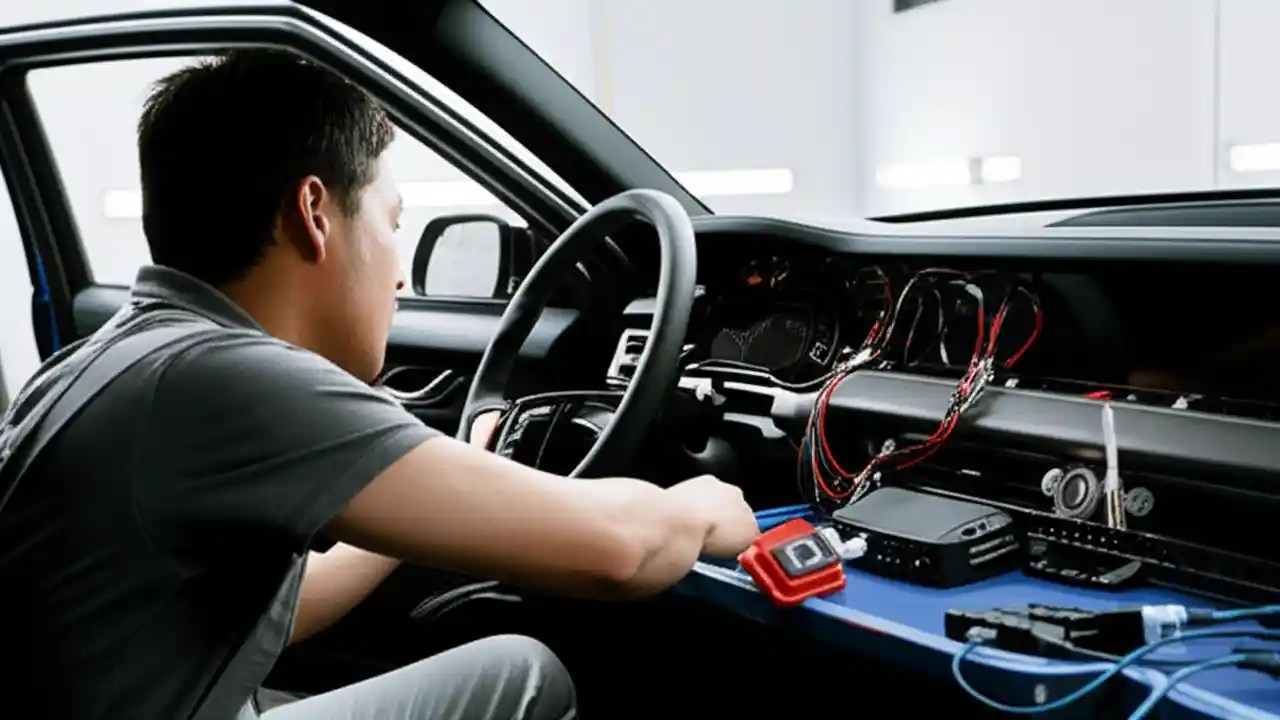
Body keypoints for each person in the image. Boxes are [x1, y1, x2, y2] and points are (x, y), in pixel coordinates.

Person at [0, 49, 759, 719]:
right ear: (314, 214)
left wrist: (438, 483)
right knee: (532, 679)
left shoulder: (115, 358)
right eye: (392, 223)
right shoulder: (228, 381)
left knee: (512, 668)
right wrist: (701, 506)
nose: (399, 270)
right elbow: (619, 552)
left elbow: (274, 615)